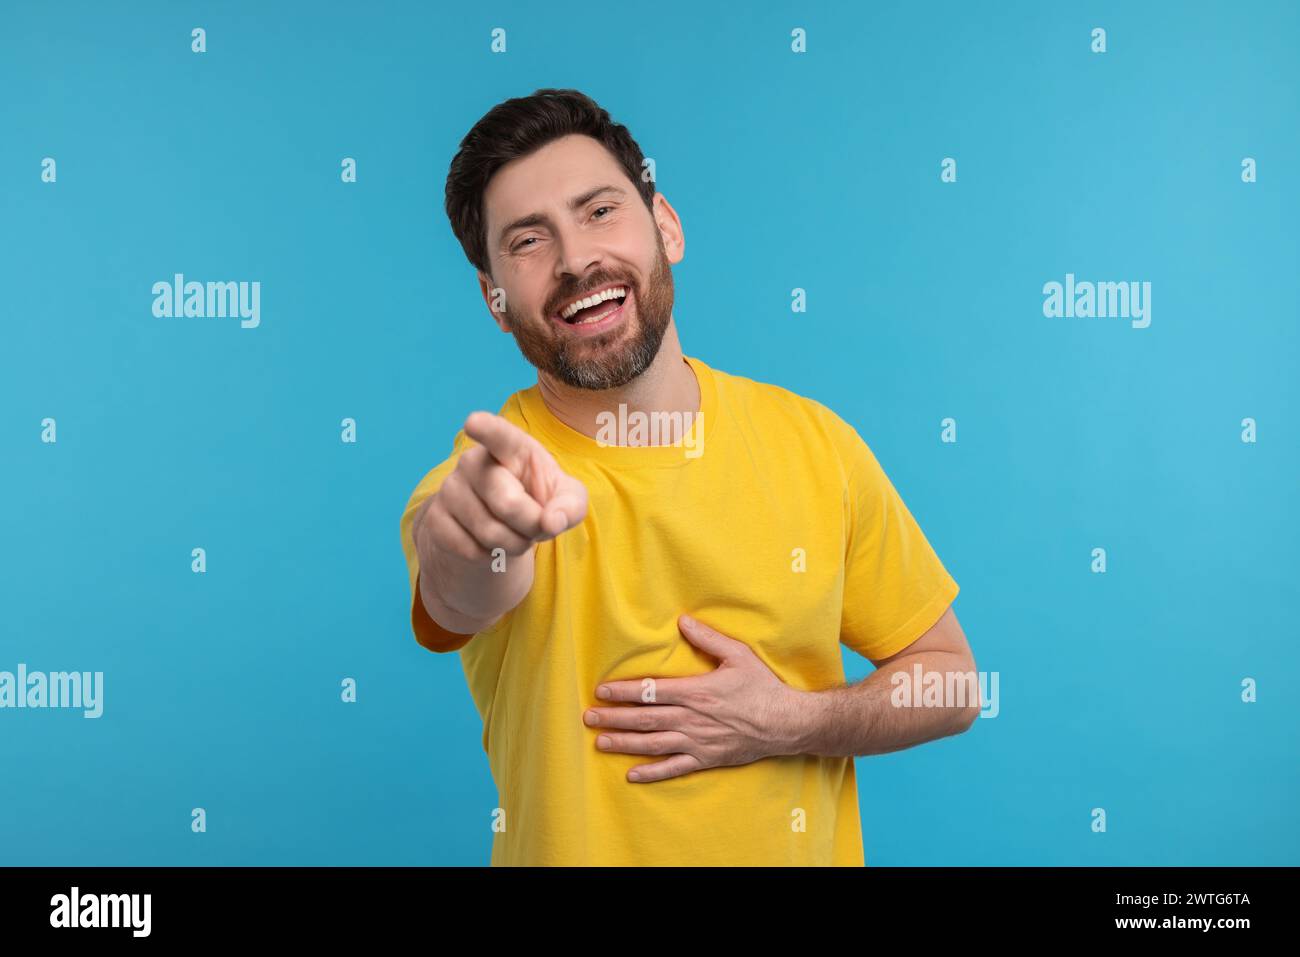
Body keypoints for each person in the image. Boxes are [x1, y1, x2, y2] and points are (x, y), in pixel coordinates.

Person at [399, 88, 978, 866]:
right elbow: (457, 581)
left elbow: (951, 684)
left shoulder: (817, 444)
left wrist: (793, 719)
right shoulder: (489, 486)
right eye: (529, 241)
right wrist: (476, 538)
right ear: (495, 301)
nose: (576, 260)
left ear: (665, 225)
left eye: (599, 211)